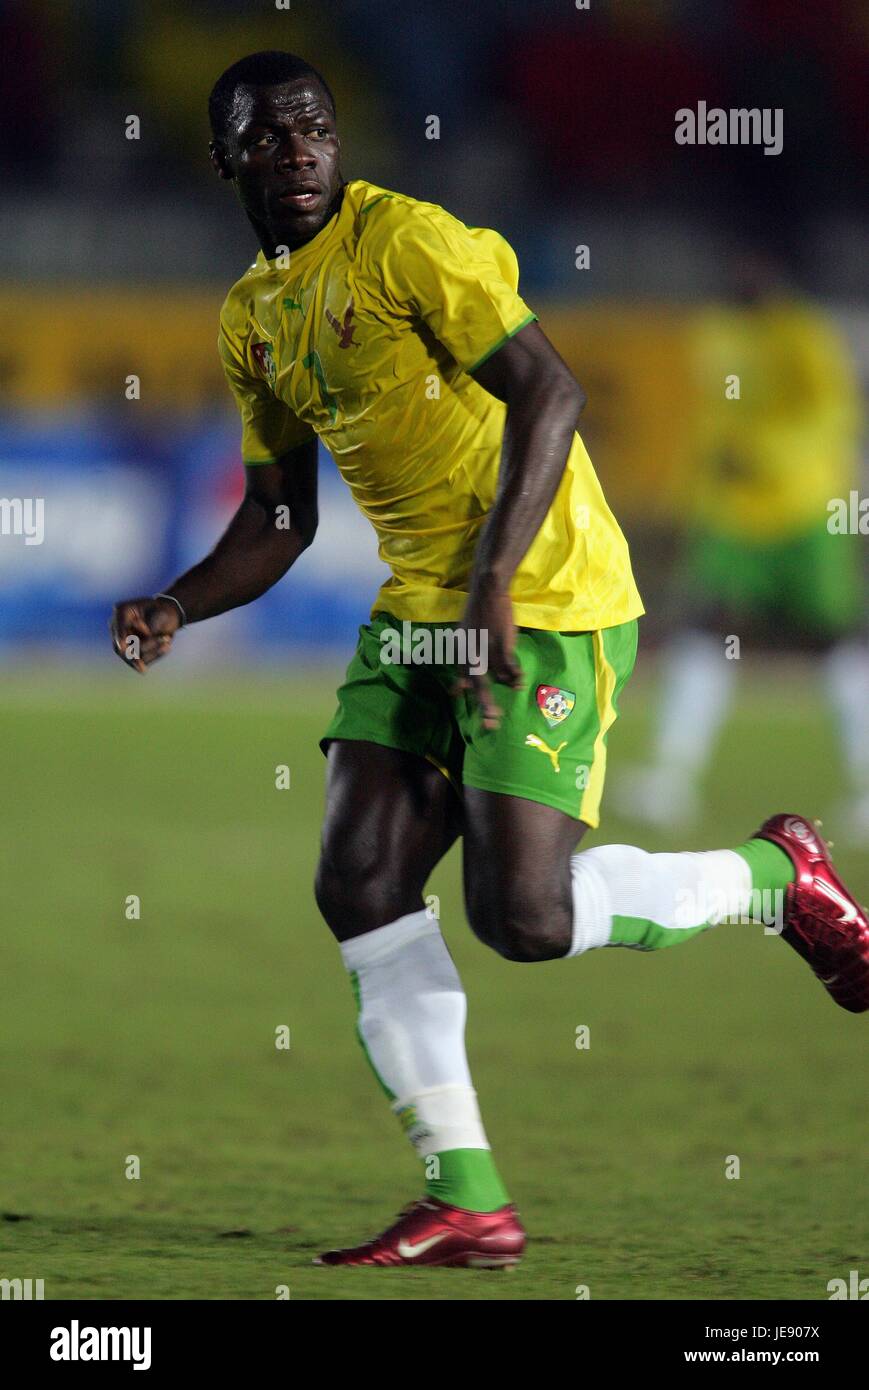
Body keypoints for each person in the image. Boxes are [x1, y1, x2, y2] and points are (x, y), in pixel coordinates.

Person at [110, 53, 869, 1271]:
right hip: (422, 606)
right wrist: (174, 602)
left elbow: (550, 392)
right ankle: (467, 1198)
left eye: (314, 128)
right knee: (358, 881)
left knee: (523, 917)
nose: (298, 151)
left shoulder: (408, 243)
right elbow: (282, 519)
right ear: (228, 160)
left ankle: (773, 875)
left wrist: (492, 583)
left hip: (542, 590)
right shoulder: (251, 316)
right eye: (268, 136)